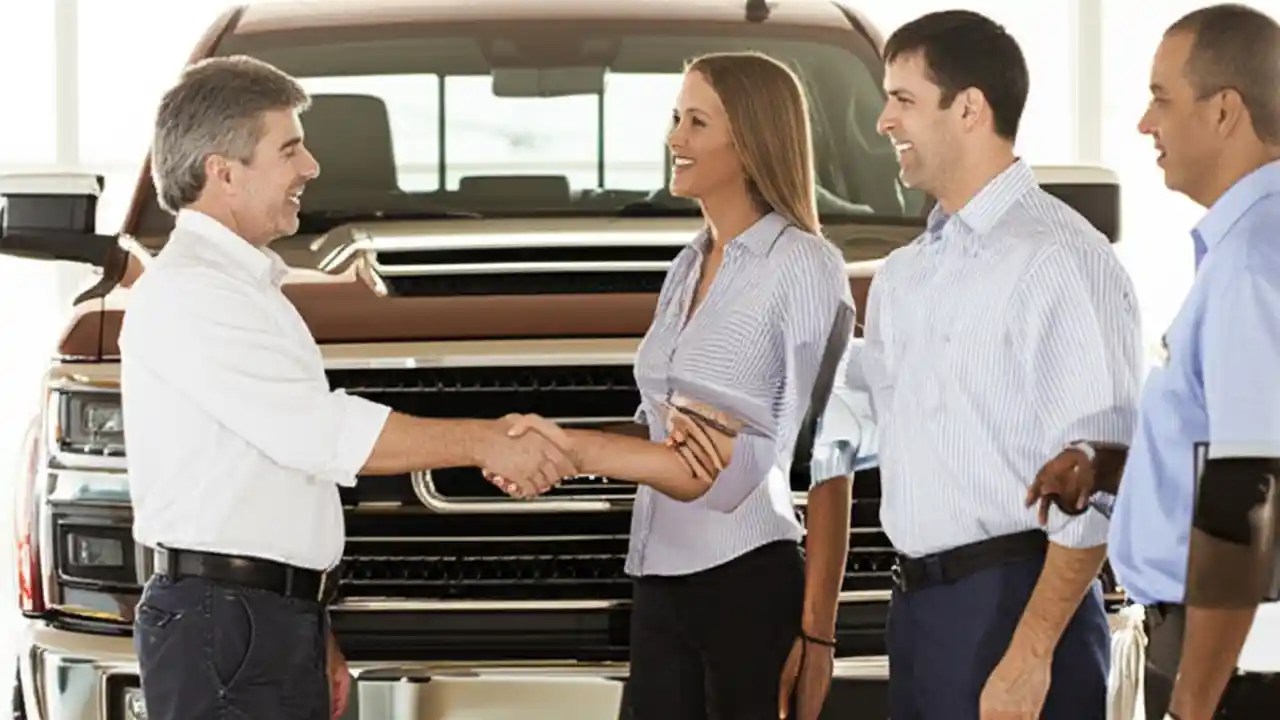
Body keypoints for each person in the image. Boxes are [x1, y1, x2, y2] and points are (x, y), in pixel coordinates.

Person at [121, 55, 588, 720]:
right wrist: (486, 441)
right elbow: (318, 435)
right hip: (228, 625)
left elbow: (267, 485)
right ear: (222, 172)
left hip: (257, 619)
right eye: (289, 149)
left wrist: (310, 621)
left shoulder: (243, 289)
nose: (309, 168)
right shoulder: (195, 293)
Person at [496, 51, 863, 720]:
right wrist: (552, 445)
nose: (674, 139)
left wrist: (817, 631)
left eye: (696, 122)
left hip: (748, 582)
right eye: (675, 118)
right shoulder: (688, 264)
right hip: (661, 586)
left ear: (751, 141)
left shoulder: (806, 265)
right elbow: (659, 427)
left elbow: (831, 455)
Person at [855, 10, 1145, 719]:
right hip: (918, 614)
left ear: (970, 109)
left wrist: (1032, 652)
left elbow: (1099, 477)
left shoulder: (1061, 260)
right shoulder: (903, 276)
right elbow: (871, 430)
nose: (883, 123)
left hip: (1015, 604)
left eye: (902, 99)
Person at [1026, 5, 1280, 719]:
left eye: (1161, 98)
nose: (1144, 123)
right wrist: (1117, 470)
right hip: (1228, 651)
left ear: (1225, 110)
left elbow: (1250, 490)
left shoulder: (1253, 265)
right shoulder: (1248, 247)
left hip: (1238, 667)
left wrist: (1192, 705)